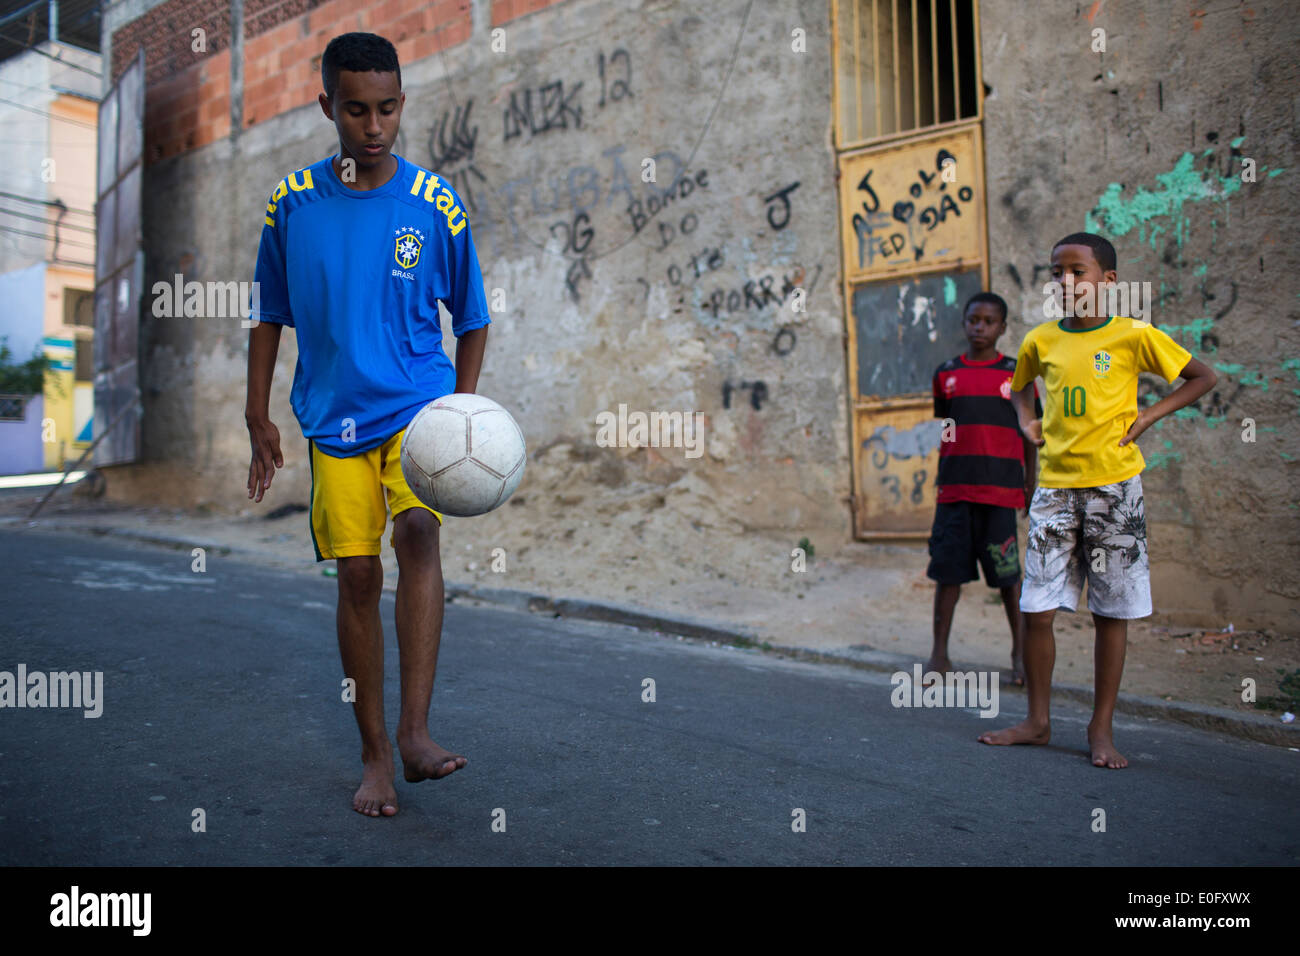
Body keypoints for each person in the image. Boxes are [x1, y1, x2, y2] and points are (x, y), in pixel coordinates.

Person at [244, 33, 491, 815]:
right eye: (356, 109)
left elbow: (474, 319)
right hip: (334, 421)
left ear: (401, 104)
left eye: (386, 108)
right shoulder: (292, 205)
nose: (373, 125)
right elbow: (268, 316)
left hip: (418, 410)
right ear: (327, 106)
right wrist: (257, 412)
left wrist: (461, 411)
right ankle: (375, 757)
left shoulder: (434, 203)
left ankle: (416, 734)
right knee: (357, 574)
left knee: (418, 537)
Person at [978, 232, 1215, 768]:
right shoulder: (1041, 340)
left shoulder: (1134, 334)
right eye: (1057, 272)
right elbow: (1018, 387)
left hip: (1115, 491)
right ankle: (1038, 722)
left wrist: (1149, 416)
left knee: (1112, 612)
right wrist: (1025, 420)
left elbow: (1202, 377)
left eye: (1077, 272)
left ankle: (1100, 728)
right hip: (1054, 492)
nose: (1065, 282)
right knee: (1037, 608)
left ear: (1107, 281)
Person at [925, 292, 1037, 686]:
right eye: (974, 320)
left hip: (1000, 492)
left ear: (1002, 328)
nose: (980, 327)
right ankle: (939, 654)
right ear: (964, 323)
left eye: (989, 321)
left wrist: (1030, 480)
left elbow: (1030, 431)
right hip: (954, 491)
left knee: (1008, 578)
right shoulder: (946, 373)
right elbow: (947, 424)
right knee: (947, 574)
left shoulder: (1016, 375)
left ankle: (1020, 655)